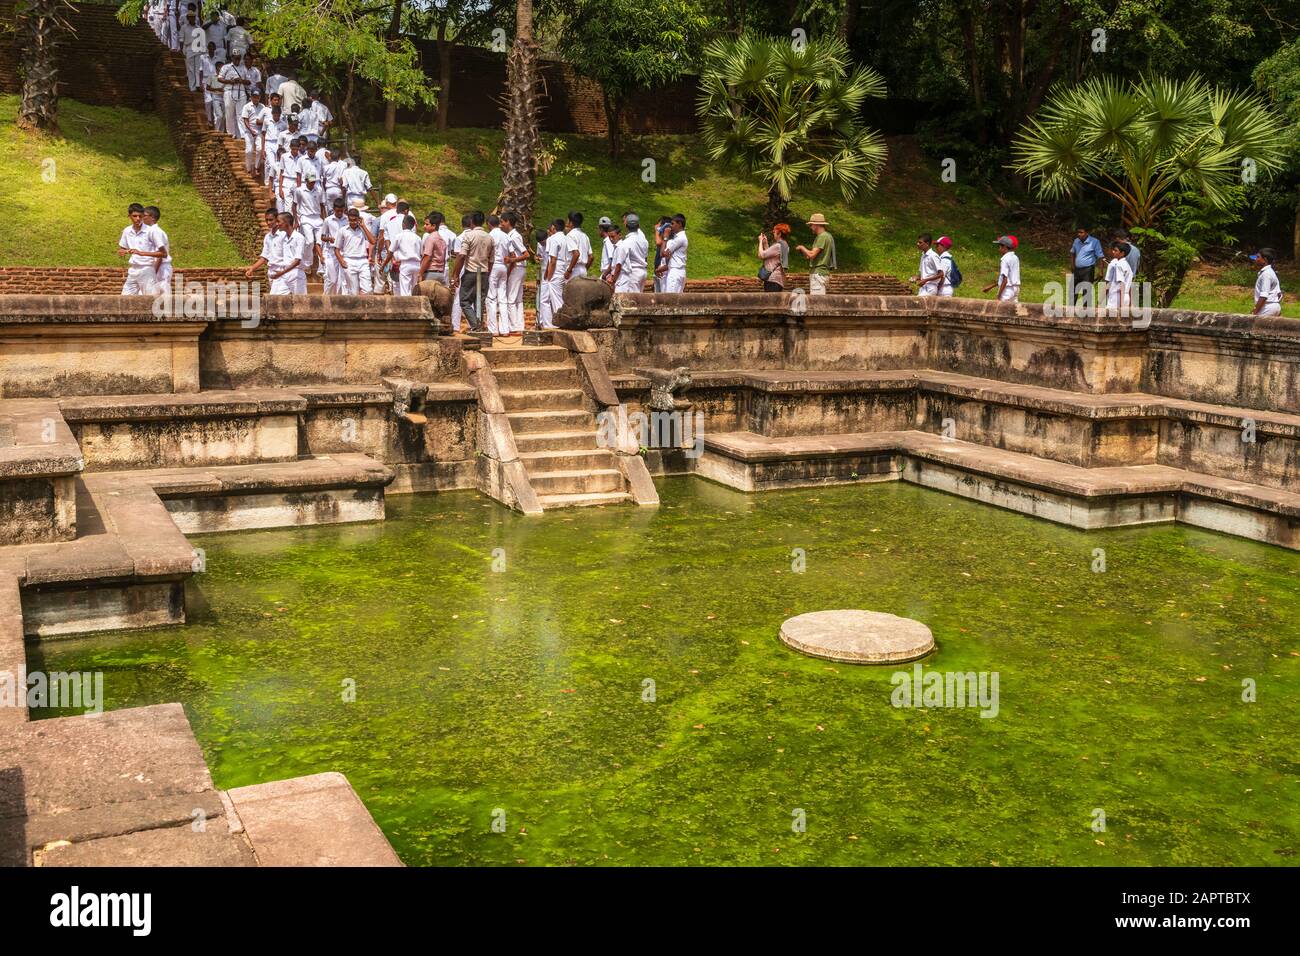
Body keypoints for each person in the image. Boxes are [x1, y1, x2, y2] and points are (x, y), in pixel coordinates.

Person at [450, 211, 492, 331]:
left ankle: (476, 325)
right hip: (484, 272)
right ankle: (478, 324)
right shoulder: (489, 237)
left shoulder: (469, 236)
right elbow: (491, 259)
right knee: (480, 301)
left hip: (471, 272)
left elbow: (462, 256)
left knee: (464, 300)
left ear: (472, 222)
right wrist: (488, 273)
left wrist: (456, 274)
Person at [118, 203, 162, 295]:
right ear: (129, 216)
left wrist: (141, 253)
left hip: (147, 269)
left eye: (140, 216)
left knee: (150, 300)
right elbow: (121, 249)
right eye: (134, 216)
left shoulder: (151, 231)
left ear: (143, 216)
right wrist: (123, 252)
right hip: (133, 270)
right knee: (125, 299)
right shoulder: (127, 231)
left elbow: (161, 253)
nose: (137, 218)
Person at [293, 170, 326, 283]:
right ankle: (307, 264)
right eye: (311, 182)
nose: (312, 184)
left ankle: (321, 269)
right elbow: (294, 205)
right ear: (306, 180)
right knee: (309, 241)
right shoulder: (299, 190)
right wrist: (296, 220)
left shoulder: (319, 190)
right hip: (305, 217)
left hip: (317, 218)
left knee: (320, 243)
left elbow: (322, 205)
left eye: (314, 182)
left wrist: (324, 219)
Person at [335, 207, 374, 295]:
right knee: (353, 291)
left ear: (358, 219)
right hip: (349, 261)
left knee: (368, 290)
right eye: (350, 220)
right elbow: (336, 249)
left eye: (354, 220)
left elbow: (373, 241)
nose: (352, 222)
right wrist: (341, 261)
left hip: (363, 260)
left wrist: (363, 226)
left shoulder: (363, 229)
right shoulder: (343, 230)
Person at [795, 213, 835, 294]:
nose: (811, 227)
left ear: (816, 225)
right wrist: (804, 251)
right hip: (822, 273)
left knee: (817, 302)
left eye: (811, 225)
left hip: (818, 274)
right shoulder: (828, 236)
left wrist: (802, 247)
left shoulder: (822, 237)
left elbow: (811, 255)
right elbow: (811, 254)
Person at [539, 218, 568, 330]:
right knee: (547, 298)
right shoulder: (566, 238)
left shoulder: (552, 239)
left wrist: (549, 276)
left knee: (556, 299)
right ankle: (549, 323)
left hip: (555, 271)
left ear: (553, 228)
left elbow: (553, 260)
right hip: (562, 269)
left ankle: (559, 324)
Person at [609, 212, 648, 293]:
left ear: (626, 225)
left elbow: (619, 264)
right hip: (643, 272)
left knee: (633, 300)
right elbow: (646, 257)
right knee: (639, 299)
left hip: (633, 273)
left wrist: (613, 279)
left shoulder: (626, 243)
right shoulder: (644, 240)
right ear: (638, 226)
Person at [385, 215, 424, 296]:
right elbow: (421, 253)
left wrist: (383, 265)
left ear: (403, 224)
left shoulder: (399, 236)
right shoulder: (418, 238)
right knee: (413, 289)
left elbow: (390, 251)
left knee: (405, 290)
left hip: (406, 264)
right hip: (417, 265)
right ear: (413, 225)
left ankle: (407, 307)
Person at [503, 211, 528, 335]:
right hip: (519, 268)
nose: (501, 224)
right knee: (518, 299)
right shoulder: (513, 235)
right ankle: (520, 326)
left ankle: (514, 327)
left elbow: (526, 254)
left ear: (508, 222)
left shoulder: (513, 237)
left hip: (517, 268)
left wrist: (512, 260)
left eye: (502, 221)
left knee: (511, 299)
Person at [218, 50, 252, 142]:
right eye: (235, 57)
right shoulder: (226, 67)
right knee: (229, 113)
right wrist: (230, 81)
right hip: (229, 91)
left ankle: (242, 135)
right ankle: (231, 134)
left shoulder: (243, 68)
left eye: (238, 57)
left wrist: (241, 80)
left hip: (241, 92)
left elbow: (249, 82)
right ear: (232, 57)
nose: (237, 59)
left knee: (241, 114)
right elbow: (219, 78)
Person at [1070, 225, 1104, 309]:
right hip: (1077, 270)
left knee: (1086, 291)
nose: (1079, 234)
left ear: (1087, 233)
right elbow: (1072, 253)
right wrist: (1072, 265)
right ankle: (1071, 309)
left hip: (1088, 270)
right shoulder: (1076, 241)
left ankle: (1086, 312)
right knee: (1073, 289)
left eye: (1081, 232)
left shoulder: (1095, 242)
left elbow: (1100, 257)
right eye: (1078, 232)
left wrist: (1100, 271)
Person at [320, 197, 349, 294]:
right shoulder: (328, 220)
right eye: (338, 211)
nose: (340, 213)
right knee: (332, 279)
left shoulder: (348, 220)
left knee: (344, 279)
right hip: (331, 252)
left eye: (341, 211)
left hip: (344, 251)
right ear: (334, 209)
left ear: (344, 209)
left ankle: (343, 300)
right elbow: (322, 237)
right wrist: (329, 239)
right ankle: (326, 298)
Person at [142, 206, 172, 293]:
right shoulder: (151, 231)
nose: (142, 218)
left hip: (160, 268)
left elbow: (160, 254)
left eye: (144, 215)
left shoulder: (156, 231)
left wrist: (153, 272)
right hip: (156, 267)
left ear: (153, 218)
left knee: (161, 297)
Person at [983, 235, 1021, 302]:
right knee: (1013, 310)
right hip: (1016, 289)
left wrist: (998, 296)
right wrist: (990, 287)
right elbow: (1008, 277)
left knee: (999, 310)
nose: (999, 249)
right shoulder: (1015, 258)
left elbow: (1005, 280)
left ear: (1005, 247)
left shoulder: (1005, 259)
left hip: (1007, 290)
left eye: (1000, 246)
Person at [657, 214, 688, 293]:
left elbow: (663, 253)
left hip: (675, 272)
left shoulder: (680, 238)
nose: (671, 226)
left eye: (673, 223)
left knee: (670, 300)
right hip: (678, 271)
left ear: (680, 224)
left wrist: (665, 237)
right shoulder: (679, 237)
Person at [1104, 241, 1134, 315]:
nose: (1113, 251)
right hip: (1125, 297)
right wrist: (1130, 303)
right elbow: (1129, 285)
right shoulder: (1126, 265)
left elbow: (1122, 285)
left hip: (1117, 298)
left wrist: (1121, 305)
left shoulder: (1119, 265)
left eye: (1116, 250)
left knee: (1110, 322)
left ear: (1122, 253)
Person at [1251, 248, 1283, 316]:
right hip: (1274, 306)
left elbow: (1264, 295)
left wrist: (1254, 312)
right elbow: (1279, 294)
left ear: (1265, 260)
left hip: (1266, 308)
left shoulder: (1266, 274)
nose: (1256, 259)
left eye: (1258, 257)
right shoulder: (1270, 272)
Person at [563, 210, 592, 282]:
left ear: (571, 223)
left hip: (574, 271)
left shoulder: (570, 235)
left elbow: (576, 254)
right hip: (583, 270)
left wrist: (569, 271)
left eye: (567, 220)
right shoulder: (585, 236)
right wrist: (584, 269)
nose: (566, 222)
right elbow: (591, 257)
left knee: (571, 293)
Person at [758, 224, 788, 292]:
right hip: (778, 280)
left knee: (770, 302)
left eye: (774, 232)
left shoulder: (778, 246)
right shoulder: (784, 245)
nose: (773, 233)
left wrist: (760, 241)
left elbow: (761, 255)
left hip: (772, 280)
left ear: (779, 234)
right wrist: (765, 243)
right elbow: (771, 256)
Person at [181, 7, 205, 91]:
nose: (192, 18)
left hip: (197, 48)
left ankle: (198, 84)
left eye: (193, 17)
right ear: (188, 18)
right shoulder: (184, 27)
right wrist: (181, 50)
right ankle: (192, 87)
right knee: (190, 69)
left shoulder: (198, 28)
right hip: (188, 48)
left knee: (197, 68)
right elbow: (181, 39)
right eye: (190, 17)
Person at [597, 216, 616, 281]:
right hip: (608, 273)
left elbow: (613, 260)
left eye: (598, 228)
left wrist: (605, 275)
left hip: (608, 274)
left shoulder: (608, 241)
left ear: (601, 229)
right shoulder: (608, 240)